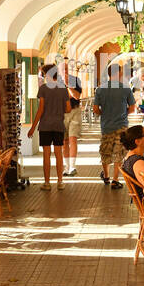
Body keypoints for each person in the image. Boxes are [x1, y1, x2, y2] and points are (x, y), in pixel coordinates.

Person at [27, 63, 71, 191]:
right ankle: (60, 181)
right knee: (59, 154)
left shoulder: (43, 89)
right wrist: (58, 109)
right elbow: (68, 108)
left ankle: (47, 183)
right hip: (58, 125)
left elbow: (40, 110)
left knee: (46, 155)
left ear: (47, 74)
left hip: (45, 126)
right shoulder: (63, 89)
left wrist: (33, 127)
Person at [93, 62, 136, 189]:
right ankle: (115, 179)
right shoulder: (126, 89)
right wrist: (123, 113)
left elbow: (95, 109)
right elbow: (132, 108)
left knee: (105, 151)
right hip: (121, 125)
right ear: (119, 73)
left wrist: (105, 114)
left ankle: (106, 176)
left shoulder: (100, 89)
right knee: (119, 152)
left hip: (106, 126)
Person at [61, 59, 84, 177]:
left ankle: (73, 166)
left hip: (74, 112)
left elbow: (76, 96)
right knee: (64, 141)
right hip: (61, 114)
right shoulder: (54, 82)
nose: (64, 71)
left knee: (72, 138)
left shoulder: (75, 80)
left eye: (65, 68)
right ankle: (67, 166)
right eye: (61, 69)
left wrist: (67, 86)